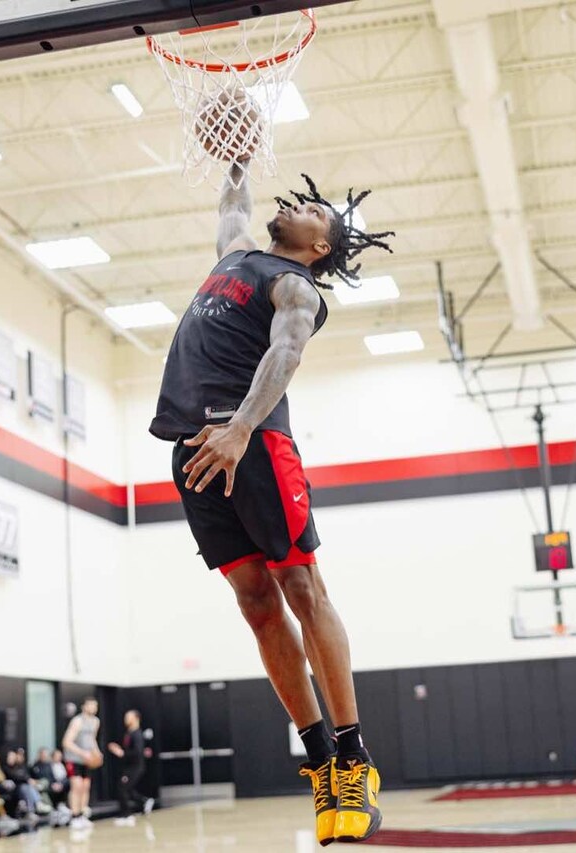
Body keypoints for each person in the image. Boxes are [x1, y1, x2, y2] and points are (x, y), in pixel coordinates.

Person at [149, 162, 393, 845]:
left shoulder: (297, 287)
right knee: (255, 602)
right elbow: (233, 206)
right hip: (195, 446)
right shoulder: (239, 255)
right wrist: (236, 150)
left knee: (301, 587)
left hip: (251, 440)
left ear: (322, 247)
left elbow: (283, 356)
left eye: (320, 209)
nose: (306, 203)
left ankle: (353, 754)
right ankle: (318, 759)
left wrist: (242, 428)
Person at [62, 698, 103, 830]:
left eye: (95, 705)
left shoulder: (96, 721)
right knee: (77, 786)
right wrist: (82, 753)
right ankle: (74, 816)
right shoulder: (77, 721)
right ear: (84, 706)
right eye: (91, 705)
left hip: (87, 759)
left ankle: (82, 815)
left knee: (86, 786)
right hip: (73, 758)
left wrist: (97, 752)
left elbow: (92, 740)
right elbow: (66, 742)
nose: (94, 708)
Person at [108, 710, 154, 825]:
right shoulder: (129, 732)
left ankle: (127, 815)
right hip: (129, 766)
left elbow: (138, 752)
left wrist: (122, 753)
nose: (126, 719)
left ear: (136, 718)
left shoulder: (137, 734)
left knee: (122, 788)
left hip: (135, 767)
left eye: (128, 717)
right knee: (126, 788)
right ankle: (144, 801)